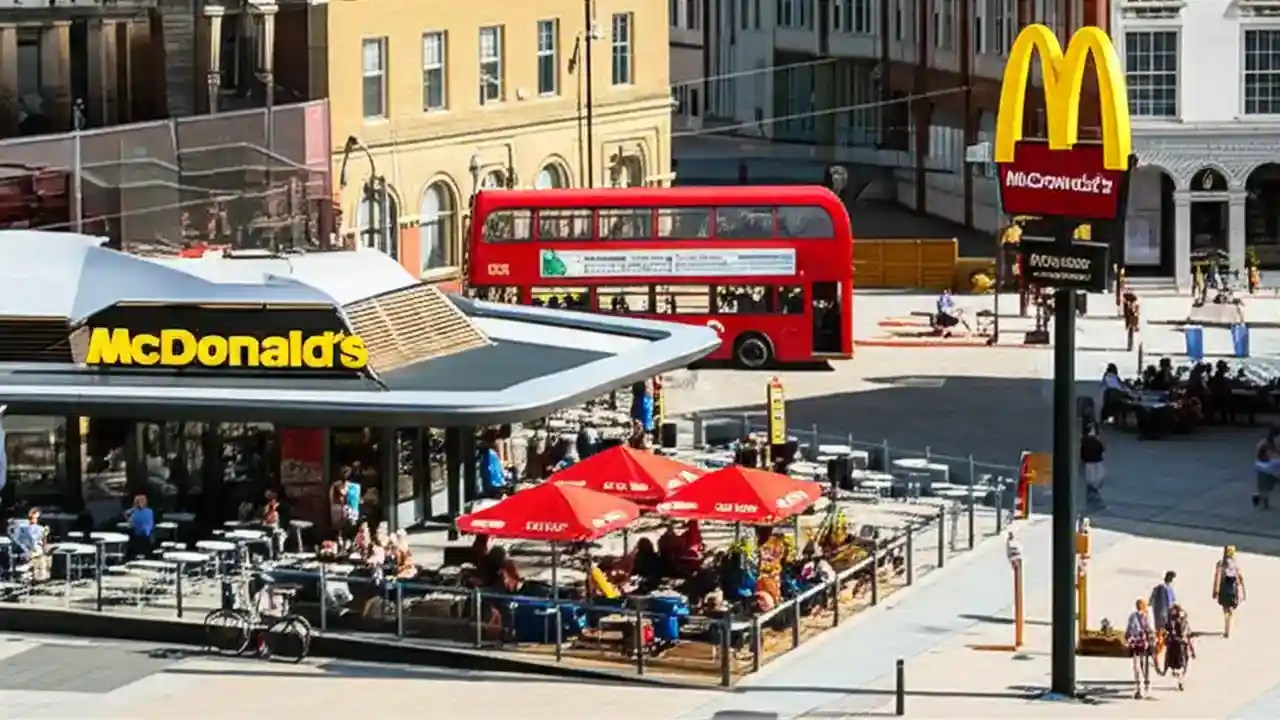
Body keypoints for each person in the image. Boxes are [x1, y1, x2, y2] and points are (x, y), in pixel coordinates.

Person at [1213, 545, 1245, 639]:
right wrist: (1242, 590)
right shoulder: (1235, 565)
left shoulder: (1221, 564)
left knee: (1225, 609)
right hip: (1232, 589)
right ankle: (1228, 629)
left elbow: (1217, 577)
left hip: (1224, 588)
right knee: (1230, 610)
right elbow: (1239, 578)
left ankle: (1227, 628)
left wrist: (1215, 590)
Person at [1124, 598, 1155, 699]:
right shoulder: (1146, 616)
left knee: (1138, 666)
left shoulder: (1134, 616)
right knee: (1143, 666)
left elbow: (1128, 630)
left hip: (1137, 645)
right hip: (1143, 644)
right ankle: (1144, 687)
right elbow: (1151, 630)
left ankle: (1140, 688)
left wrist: (1128, 639)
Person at [1162, 604, 1194, 691]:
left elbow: (1188, 634)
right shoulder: (1170, 621)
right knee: (1177, 664)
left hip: (1180, 646)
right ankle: (1179, 677)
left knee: (1181, 664)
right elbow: (1165, 631)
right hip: (1175, 645)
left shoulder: (1182, 621)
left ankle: (1180, 679)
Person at [13, 508, 50, 581]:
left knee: (41, 555)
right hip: (25, 549)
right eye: (32, 518)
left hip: (36, 550)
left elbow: (43, 542)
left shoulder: (42, 528)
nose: (34, 520)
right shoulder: (23, 527)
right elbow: (19, 540)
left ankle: (36, 574)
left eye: (37, 518)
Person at [1080, 427, 1106, 508]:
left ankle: (1092, 490)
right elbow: (1102, 450)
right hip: (1097, 461)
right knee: (1097, 477)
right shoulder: (1097, 442)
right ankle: (1093, 491)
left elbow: (1082, 453)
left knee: (1090, 478)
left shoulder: (1084, 442)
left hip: (1089, 462)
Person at [1254, 426, 1280, 509]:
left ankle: (1262, 500)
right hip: (1267, 468)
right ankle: (1262, 500)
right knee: (1265, 485)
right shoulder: (1263, 445)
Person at [125, 494, 155, 560]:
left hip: (139, 539)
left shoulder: (135, 512)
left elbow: (129, 518)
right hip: (147, 539)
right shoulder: (150, 511)